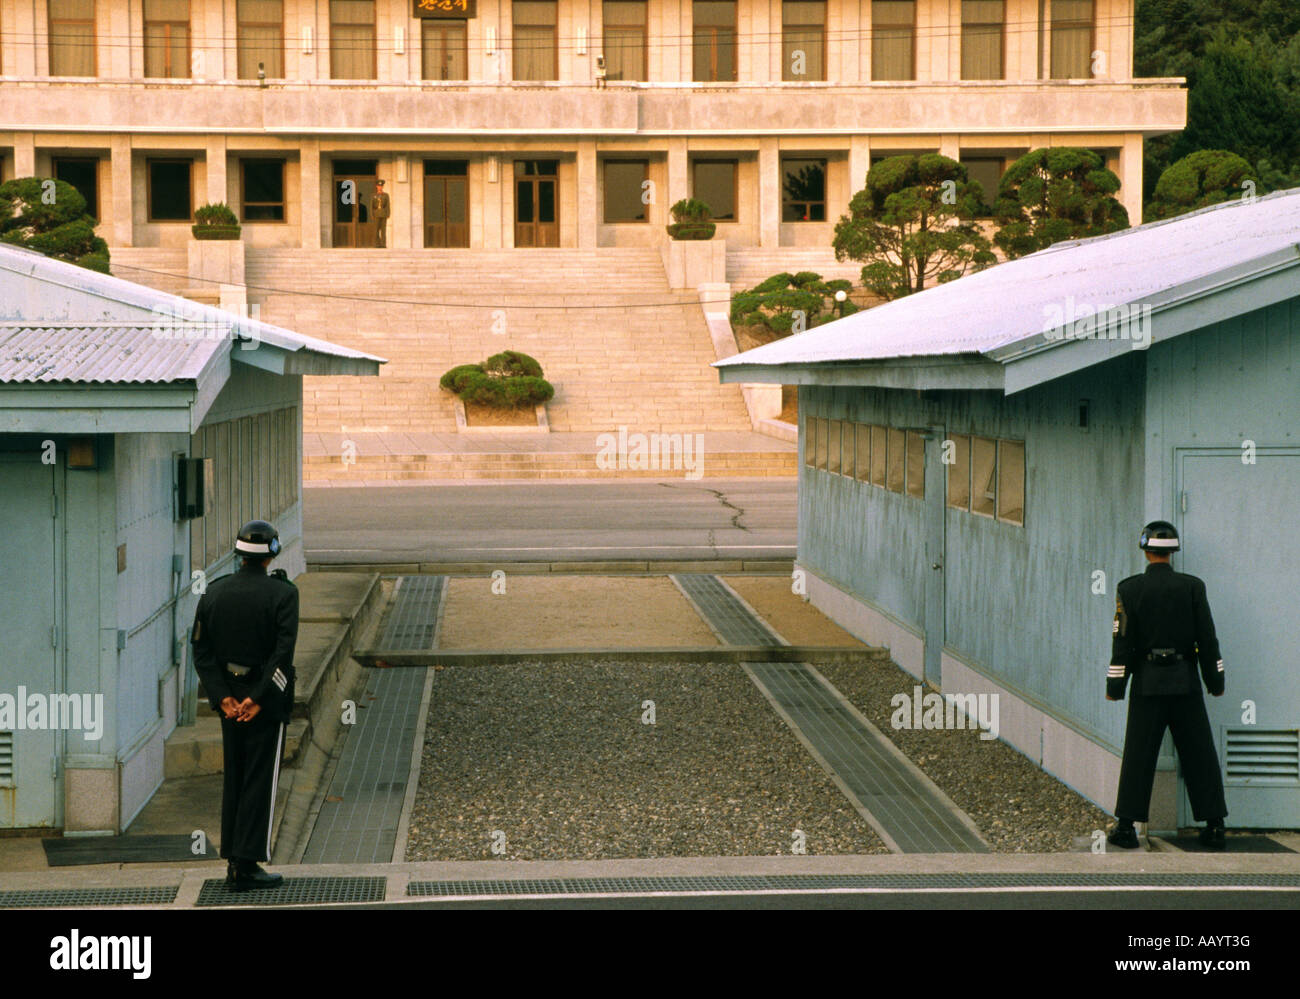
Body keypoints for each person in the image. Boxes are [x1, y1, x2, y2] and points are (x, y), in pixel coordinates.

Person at [1105, 520, 1227, 851]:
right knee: (1199, 752)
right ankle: (1215, 827)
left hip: (1147, 684)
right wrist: (1215, 680)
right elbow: (1208, 639)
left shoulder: (1129, 589)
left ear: (1145, 549)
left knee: (1139, 755)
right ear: (1173, 551)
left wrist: (1115, 686)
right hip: (1185, 682)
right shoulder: (1193, 587)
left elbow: (1123, 643)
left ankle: (1127, 827)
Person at [191, 520, 299, 890]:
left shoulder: (214, 593)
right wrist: (258, 699)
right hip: (262, 702)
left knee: (235, 778)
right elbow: (281, 654)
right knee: (260, 780)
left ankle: (234, 863)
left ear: (238, 554)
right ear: (272, 554)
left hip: (228, 701)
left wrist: (224, 698)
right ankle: (248, 863)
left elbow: (202, 653)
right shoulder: (284, 595)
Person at [372, 179, 391, 247]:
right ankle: (377, 244)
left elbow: (388, 205)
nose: (380, 187)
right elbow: (371, 206)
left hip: (383, 214)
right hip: (376, 214)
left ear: (382, 187)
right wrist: (372, 214)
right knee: (376, 230)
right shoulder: (373, 195)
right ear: (376, 186)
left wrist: (388, 213)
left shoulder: (386, 195)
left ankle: (383, 244)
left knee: (383, 230)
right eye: (378, 186)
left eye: (381, 186)